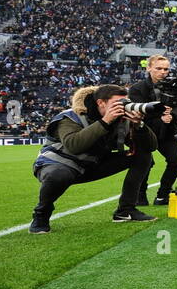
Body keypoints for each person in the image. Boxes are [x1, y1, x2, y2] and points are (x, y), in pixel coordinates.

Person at [29, 84, 158, 233]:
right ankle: (41, 214)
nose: (123, 107)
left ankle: (125, 210)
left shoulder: (121, 120)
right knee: (59, 175)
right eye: (118, 103)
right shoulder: (70, 116)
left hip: (91, 165)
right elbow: (74, 145)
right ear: (101, 103)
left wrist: (139, 125)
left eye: (125, 103)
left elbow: (150, 147)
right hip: (59, 164)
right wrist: (105, 121)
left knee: (142, 155)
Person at [128, 54, 177, 206]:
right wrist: (160, 116)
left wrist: (172, 115)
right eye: (159, 68)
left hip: (166, 131)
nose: (163, 72)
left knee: (176, 161)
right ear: (149, 68)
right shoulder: (137, 89)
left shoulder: (175, 87)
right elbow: (137, 112)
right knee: (145, 162)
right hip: (144, 131)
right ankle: (140, 195)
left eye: (166, 69)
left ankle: (163, 194)